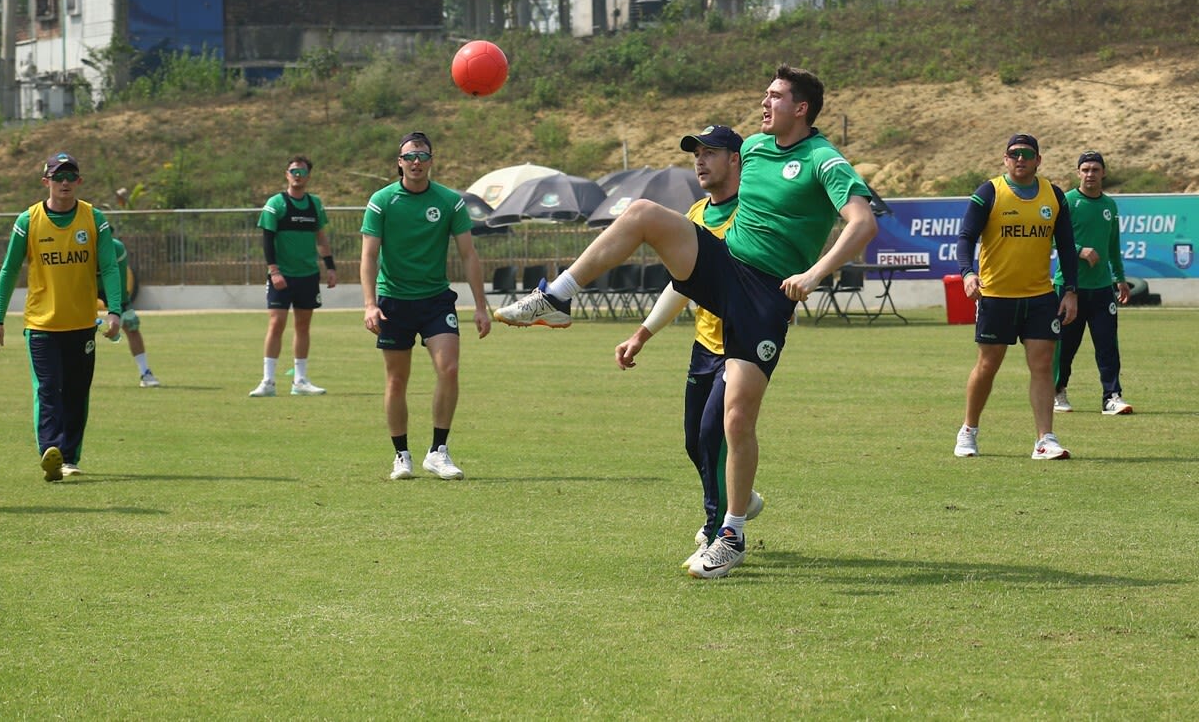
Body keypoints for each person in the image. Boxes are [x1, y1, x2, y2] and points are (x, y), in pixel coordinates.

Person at [497, 66, 877, 578]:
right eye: (764, 94)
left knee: (736, 418)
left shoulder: (823, 160)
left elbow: (863, 223)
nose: (764, 103)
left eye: (775, 96)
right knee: (642, 213)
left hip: (766, 296)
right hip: (724, 266)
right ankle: (557, 297)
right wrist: (643, 332)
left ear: (802, 107)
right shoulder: (757, 150)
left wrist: (814, 273)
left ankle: (732, 532)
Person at [612, 125, 763, 570]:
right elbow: (682, 284)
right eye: (696, 153)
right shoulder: (695, 214)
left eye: (711, 152)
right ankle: (743, 496)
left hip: (744, 344)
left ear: (736, 159)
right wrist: (642, 334)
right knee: (694, 443)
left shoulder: (754, 213)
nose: (700, 160)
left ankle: (722, 531)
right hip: (704, 345)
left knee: (713, 435)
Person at [361, 131, 491, 480]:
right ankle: (401, 455)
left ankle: (438, 451)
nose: (416, 162)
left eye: (422, 156)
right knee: (397, 380)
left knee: (448, 369)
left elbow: (468, 254)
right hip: (393, 301)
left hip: (435, 300)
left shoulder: (450, 201)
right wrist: (370, 304)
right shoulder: (382, 201)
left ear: (431, 161)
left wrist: (481, 305)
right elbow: (369, 256)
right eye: (409, 157)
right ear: (399, 163)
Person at [0, 152, 122, 482]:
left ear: (79, 182)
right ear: (45, 181)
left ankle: (70, 457)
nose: (64, 183)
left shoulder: (94, 219)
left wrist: (115, 310)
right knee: (48, 389)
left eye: (70, 177)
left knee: (76, 392)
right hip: (41, 325)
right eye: (57, 177)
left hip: (81, 324)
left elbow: (109, 267)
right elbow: (8, 271)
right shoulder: (28, 221)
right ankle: (51, 451)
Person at [953, 134, 1079, 462]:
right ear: (1005, 160)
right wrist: (968, 273)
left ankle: (1044, 440)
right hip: (996, 296)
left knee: (1042, 365)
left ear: (1038, 160)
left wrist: (1070, 292)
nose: (1019, 159)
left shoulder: (1054, 195)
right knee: (988, 364)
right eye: (1013, 154)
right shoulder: (989, 192)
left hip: (1039, 296)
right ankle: (969, 430)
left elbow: (1066, 247)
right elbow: (965, 237)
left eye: (1026, 154)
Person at [1053, 150, 1133, 415]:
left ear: (1103, 173)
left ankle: (1112, 397)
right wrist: (1079, 250)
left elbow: (1113, 246)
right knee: (1065, 345)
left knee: (1107, 344)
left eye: (1095, 170)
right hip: (1069, 288)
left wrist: (1119, 279)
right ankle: (1057, 391)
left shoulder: (1109, 206)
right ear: (1078, 173)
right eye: (1085, 169)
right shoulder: (1067, 201)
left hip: (1101, 289)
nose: (1090, 174)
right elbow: (1051, 237)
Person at [249, 155, 336, 397]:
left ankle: (300, 380)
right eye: (293, 171)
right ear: (286, 175)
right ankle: (268, 381)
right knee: (276, 324)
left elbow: (321, 237)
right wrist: (273, 270)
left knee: (303, 326)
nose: (297, 175)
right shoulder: (276, 203)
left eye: (302, 172)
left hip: (307, 274)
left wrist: (330, 267)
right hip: (282, 276)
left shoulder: (315, 204)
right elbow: (267, 239)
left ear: (309, 176)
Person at [98, 230, 161, 387]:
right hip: (84, 288)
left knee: (132, 326)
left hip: (113, 287)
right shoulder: (80, 248)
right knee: (76, 331)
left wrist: (119, 311)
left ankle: (145, 373)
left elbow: (120, 279)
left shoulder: (117, 248)